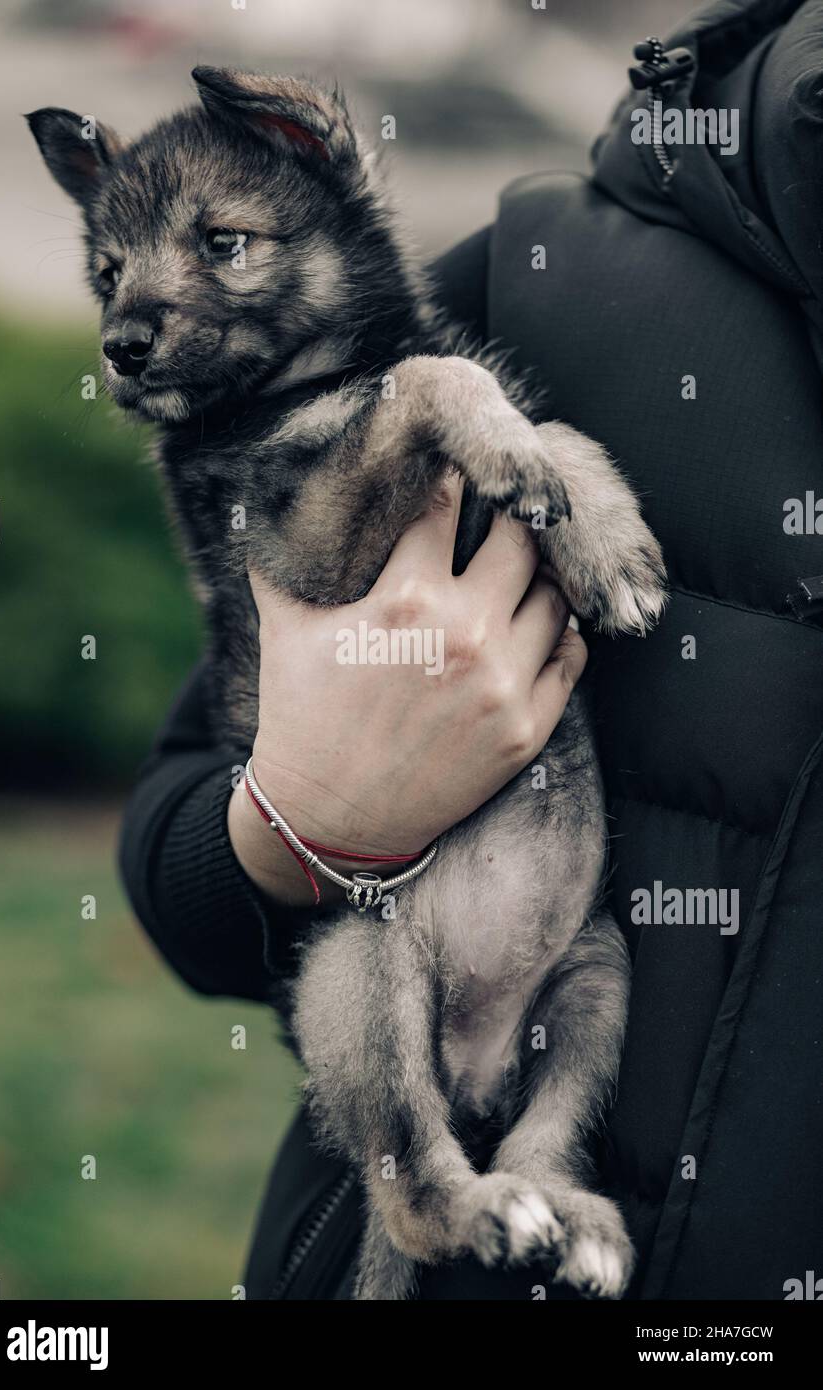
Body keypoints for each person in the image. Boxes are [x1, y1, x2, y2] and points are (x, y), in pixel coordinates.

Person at [120, 0, 823, 1300]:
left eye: (218, 245)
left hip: (572, 1067)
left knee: (593, 983)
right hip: (419, 1123)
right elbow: (175, 860)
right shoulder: (555, 272)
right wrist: (301, 820)